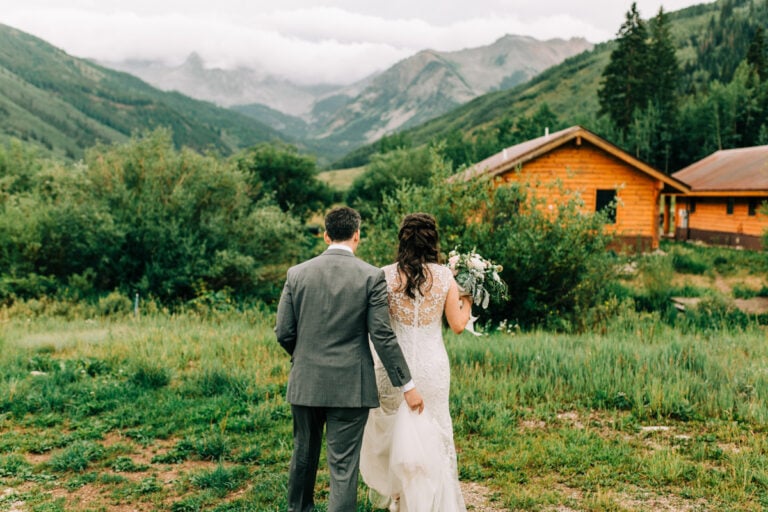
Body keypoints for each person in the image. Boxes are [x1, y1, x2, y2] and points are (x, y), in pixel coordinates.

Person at [275, 206, 425, 512]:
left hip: (306, 382)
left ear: (326, 235)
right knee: (343, 468)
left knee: (303, 455)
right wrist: (406, 384)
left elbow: (284, 331)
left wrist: (304, 358)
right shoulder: (370, 277)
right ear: (357, 236)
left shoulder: (297, 274)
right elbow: (381, 335)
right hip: (350, 387)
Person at [360, 212, 472, 512]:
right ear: (433, 240)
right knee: (434, 429)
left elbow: (378, 327)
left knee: (394, 429)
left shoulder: (384, 275)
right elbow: (459, 324)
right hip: (432, 366)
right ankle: (433, 501)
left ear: (403, 240)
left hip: (394, 369)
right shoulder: (446, 277)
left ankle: (399, 497)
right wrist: (470, 296)